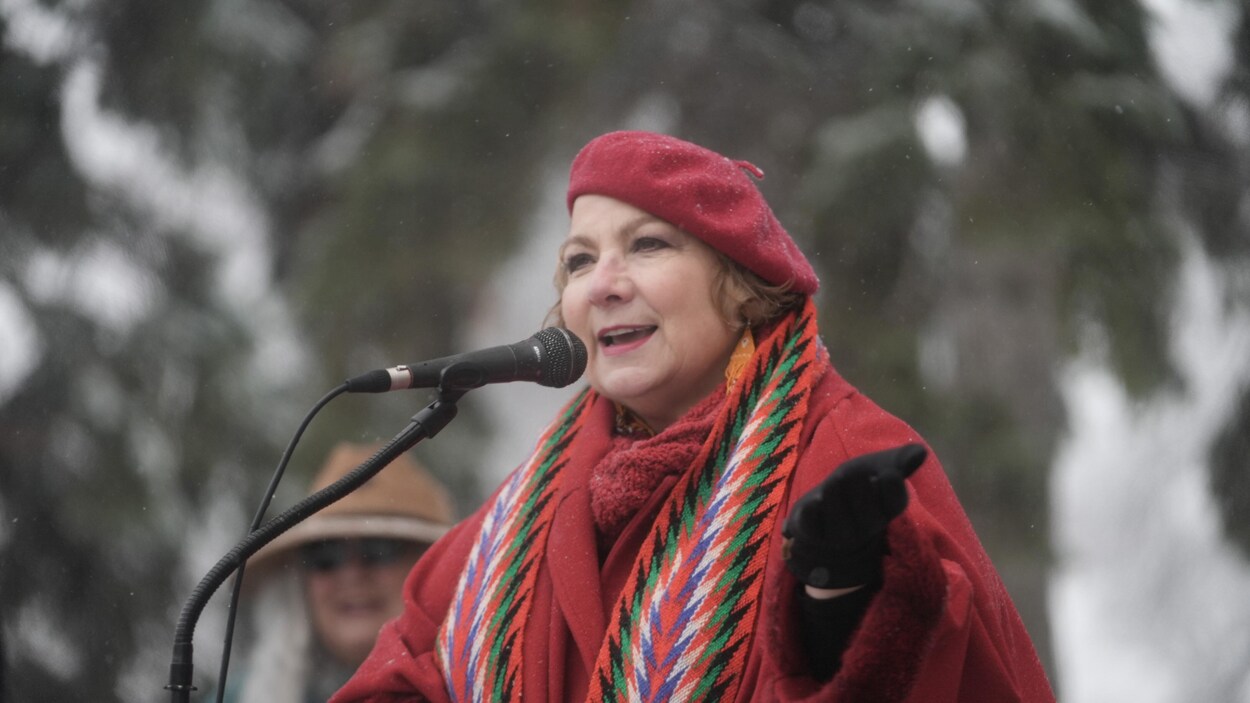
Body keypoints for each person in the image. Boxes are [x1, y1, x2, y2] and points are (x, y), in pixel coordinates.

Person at [330, 131, 1055, 701]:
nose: (604, 285)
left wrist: (844, 605)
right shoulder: (524, 510)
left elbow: (954, 672)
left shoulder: (848, 454)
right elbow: (411, 666)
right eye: (580, 261)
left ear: (742, 288)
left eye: (647, 245)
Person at [221, 442, 456, 703]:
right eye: (324, 555)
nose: (351, 573)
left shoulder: (486, 686)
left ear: (438, 568)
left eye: (378, 548)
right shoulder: (244, 696)